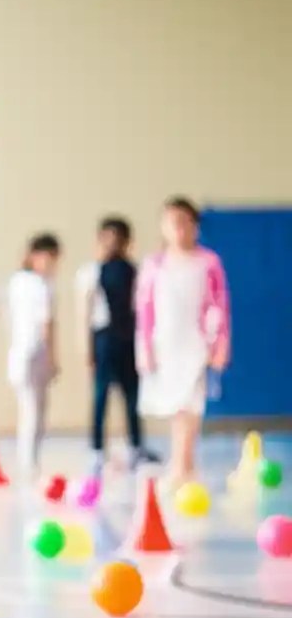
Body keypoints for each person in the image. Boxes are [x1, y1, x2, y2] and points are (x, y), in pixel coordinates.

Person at [135, 196, 231, 491]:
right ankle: (184, 465)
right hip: (165, 343)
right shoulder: (154, 265)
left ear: (195, 226)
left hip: (196, 341)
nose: (179, 229)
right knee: (174, 405)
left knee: (191, 403)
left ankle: (181, 465)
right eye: (172, 222)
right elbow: (145, 309)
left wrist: (221, 344)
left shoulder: (208, 263)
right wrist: (145, 348)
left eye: (184, 222)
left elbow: (220, 305)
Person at [74, 215, 157, 500]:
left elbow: (142, 308)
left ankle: (136, 447)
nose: (112, 243)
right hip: (104, 339)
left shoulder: (136, 271)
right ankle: (97, 450)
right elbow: (85, 313)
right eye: (107, 237)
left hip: (129, 340)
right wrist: (86, 349)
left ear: (127, 242)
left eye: (118, 238)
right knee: (100, 397)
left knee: (133, 397)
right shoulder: (91, 272)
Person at [6, 233, 61, 479]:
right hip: (34, 353)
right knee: (35, 412)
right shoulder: (41, 285)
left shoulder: (16, 282)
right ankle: (30, 465)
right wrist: (52, 358)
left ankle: (27, 461)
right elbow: (47, 324)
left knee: (28, 410)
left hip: (18, 352)